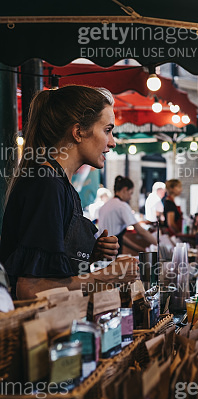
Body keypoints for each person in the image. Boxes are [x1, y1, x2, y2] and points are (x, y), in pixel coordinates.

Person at [0, 85, 138, 300]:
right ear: (78, 132)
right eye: (107, 130)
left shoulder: (59, 184)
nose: (112, 142)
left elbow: (55, 274)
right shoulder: (47, 185)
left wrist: (88, 255)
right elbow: (29, 290)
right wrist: (108, 275)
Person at [98, 175, 157, 254]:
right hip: (111, 252)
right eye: (131, 193)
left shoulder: (105, 206)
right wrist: (158, 244)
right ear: (125, 189)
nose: (130, 197)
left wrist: (140, 250)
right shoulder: (122, 206)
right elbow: (141, 231)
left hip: (101, 250)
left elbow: (119, 238)